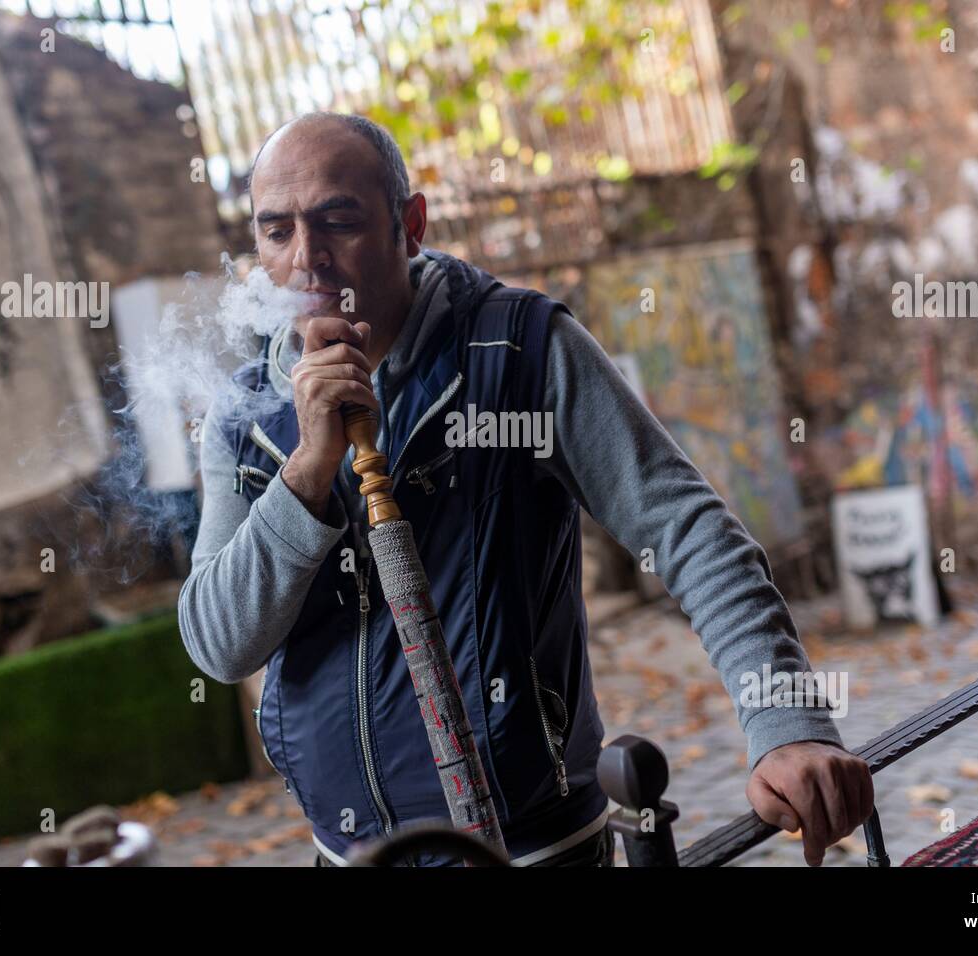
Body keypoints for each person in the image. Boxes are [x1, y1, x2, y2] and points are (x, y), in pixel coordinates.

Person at [177, 111, 873, 867]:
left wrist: (788, 724)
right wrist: (307, 473)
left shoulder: (517, 351)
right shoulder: (247, 414)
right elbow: (220, 646)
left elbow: (685, 525)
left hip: (534, 853)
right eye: (275, 232)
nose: (307, 259)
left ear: (410, 224)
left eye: (337, 221)